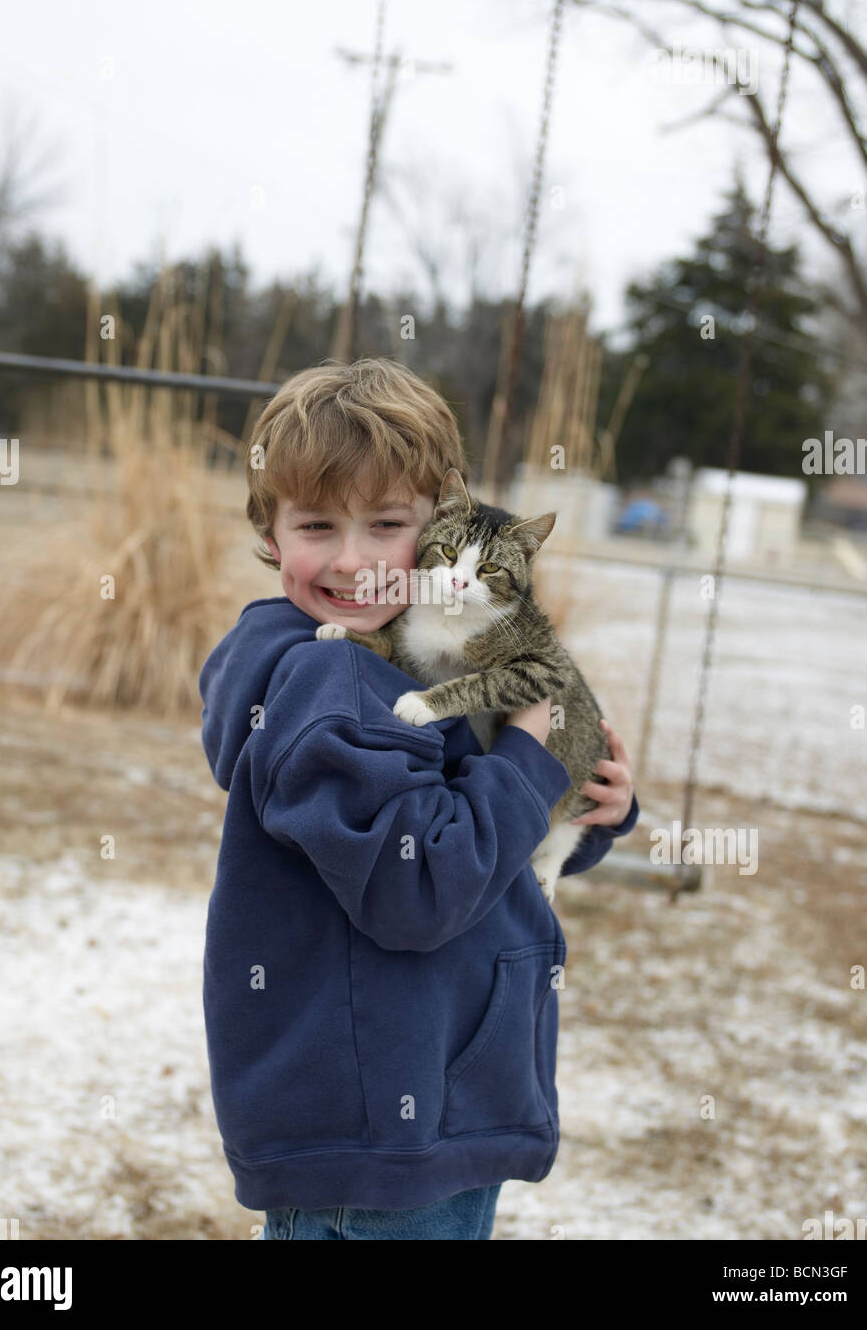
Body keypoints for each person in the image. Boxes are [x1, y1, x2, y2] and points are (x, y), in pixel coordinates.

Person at [198, 357, 640, 1240]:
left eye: (388, 524)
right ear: (272, 532)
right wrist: (531, 751)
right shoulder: (326, 675)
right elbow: (422, 886)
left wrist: (591, 805)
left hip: (430, 1096)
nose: (354, 560)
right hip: (377, 1128)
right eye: (317, 524)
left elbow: (486, 826)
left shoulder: (422, 652)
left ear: (442, 527)